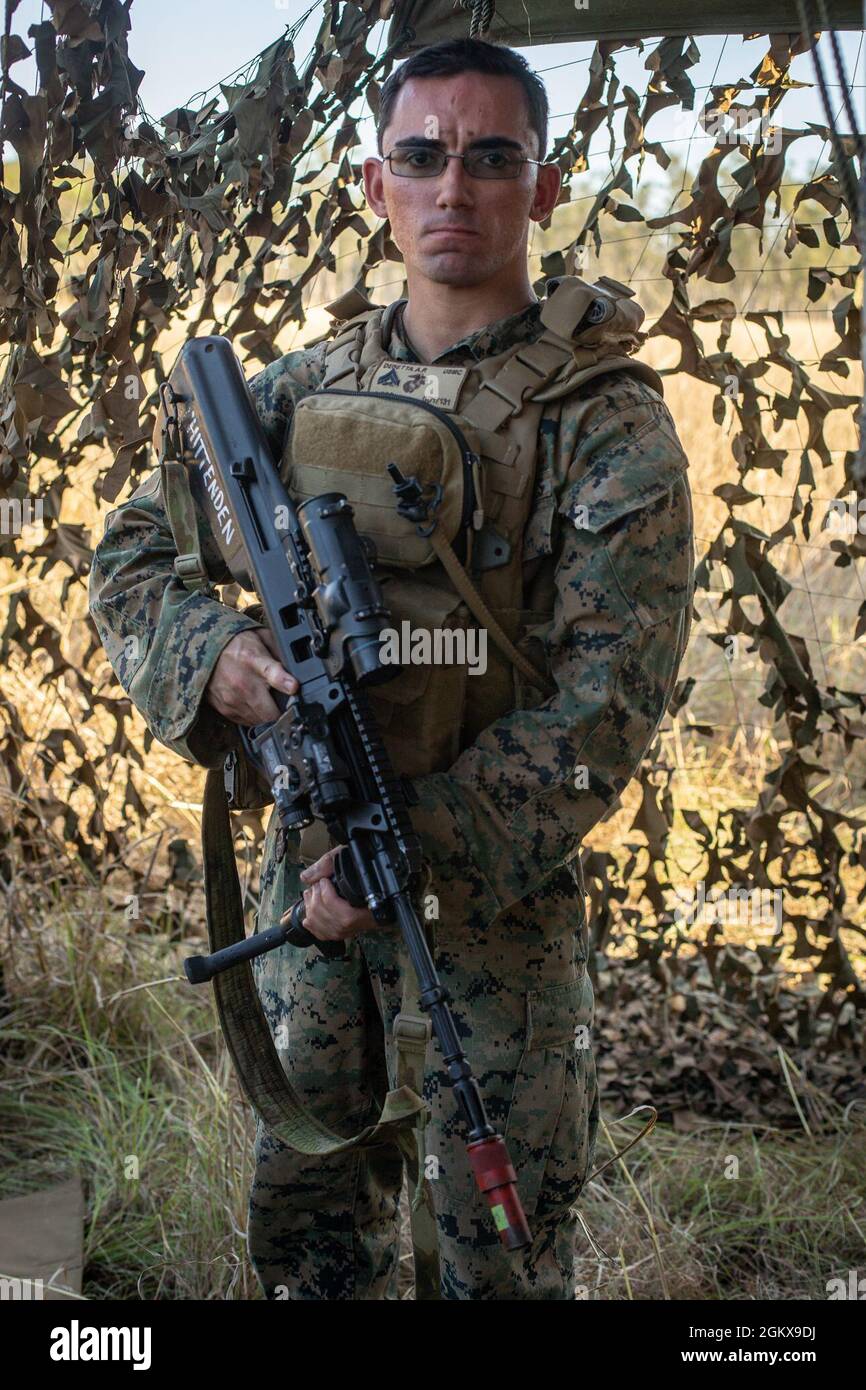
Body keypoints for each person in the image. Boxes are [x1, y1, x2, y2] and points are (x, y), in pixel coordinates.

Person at [89, 36, 695, 1300]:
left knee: (502, 1248)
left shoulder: (605, 420)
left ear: (538, 188)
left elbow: (606, 706)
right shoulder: (294, 396)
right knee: (312, 1229)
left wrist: (408, 849)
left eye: (489, 158)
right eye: (418, 156)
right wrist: (216, 656)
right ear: (375, 185)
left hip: (489, 909)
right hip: (311, 876)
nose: (451, 188)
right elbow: (133, 555)